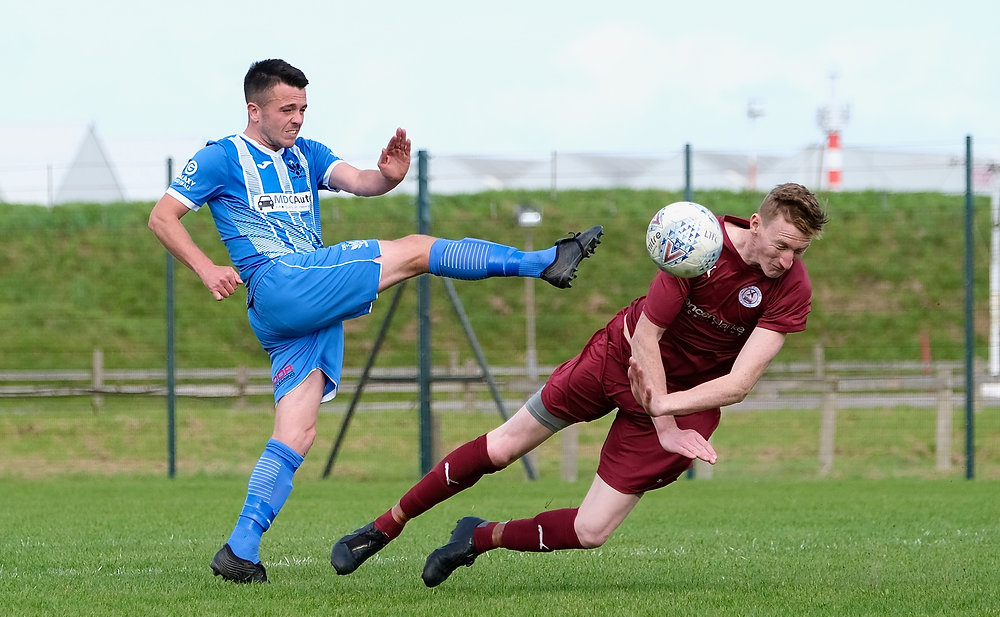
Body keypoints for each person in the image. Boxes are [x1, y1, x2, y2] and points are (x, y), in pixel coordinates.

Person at [147, 58, 604, 584]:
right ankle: (542, 261)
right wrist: (206, 269)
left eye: (302, 108)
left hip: (295, 310)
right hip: (282, 282)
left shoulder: (306, 154)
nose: (297, 119)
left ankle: (239, 549)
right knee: (414, 250)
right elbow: (163, 216)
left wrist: (388, 176)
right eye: (285, 109)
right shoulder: (221, 157)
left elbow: (361, 181)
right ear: (255, 109)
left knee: (296, 433)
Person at [331, 183, 828, 587]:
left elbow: (739, 383)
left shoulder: (792, 286)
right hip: (621, 356)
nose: (787, 260)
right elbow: (648, 337)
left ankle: (479, 538)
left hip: (687, 397)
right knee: (504, 446)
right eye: (782, 245)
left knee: (593, 531)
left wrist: (665, 414)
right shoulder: (696, 239)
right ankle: (384, 526)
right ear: (756, 224)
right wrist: (662, 416)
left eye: (798, 251)